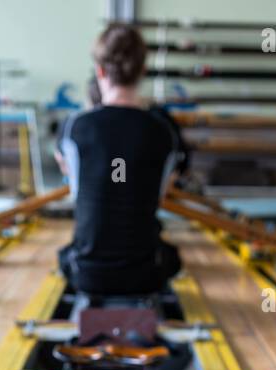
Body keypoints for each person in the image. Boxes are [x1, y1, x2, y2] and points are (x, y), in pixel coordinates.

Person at [55, 24, 186, 298]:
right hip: (146, 273)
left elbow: (77, 190)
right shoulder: (165, 132)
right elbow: (159, 197)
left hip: (86, 273)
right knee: (172, 256)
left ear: (100, 71)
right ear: (142, 72)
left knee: (65, 254)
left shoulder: (72, 128)